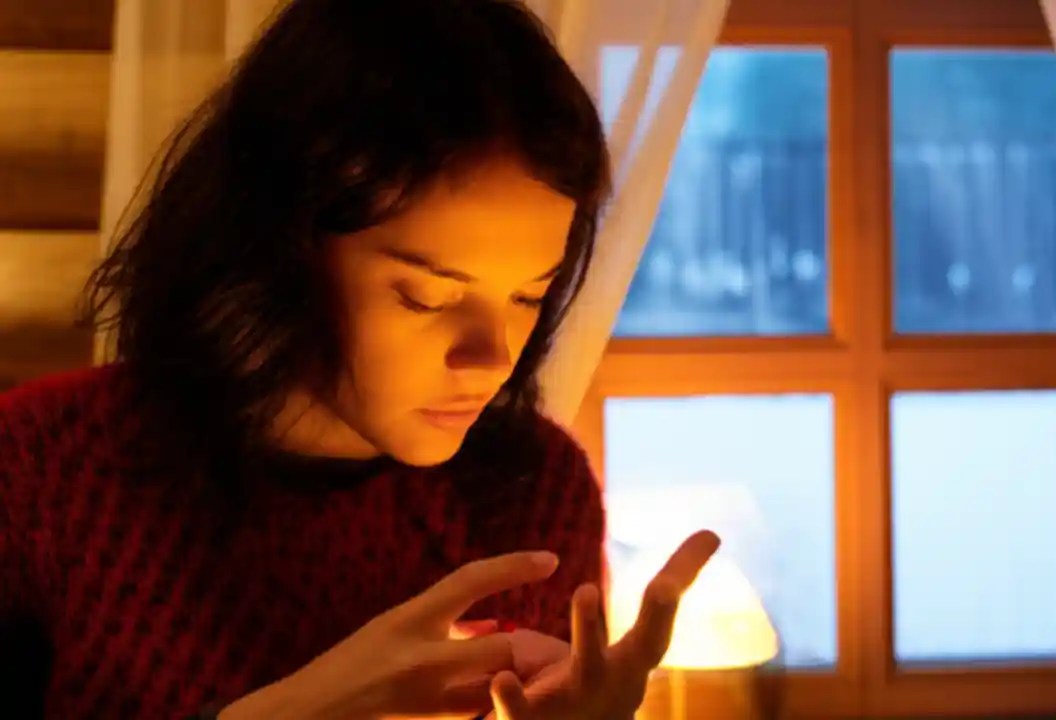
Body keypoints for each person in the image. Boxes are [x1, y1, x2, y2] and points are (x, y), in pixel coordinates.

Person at [0, 0, 719, 717]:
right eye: (427, 298)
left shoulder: (532, 493)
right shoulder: (49, 471)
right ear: (277, 247)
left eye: (528, 297)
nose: (491, 357)